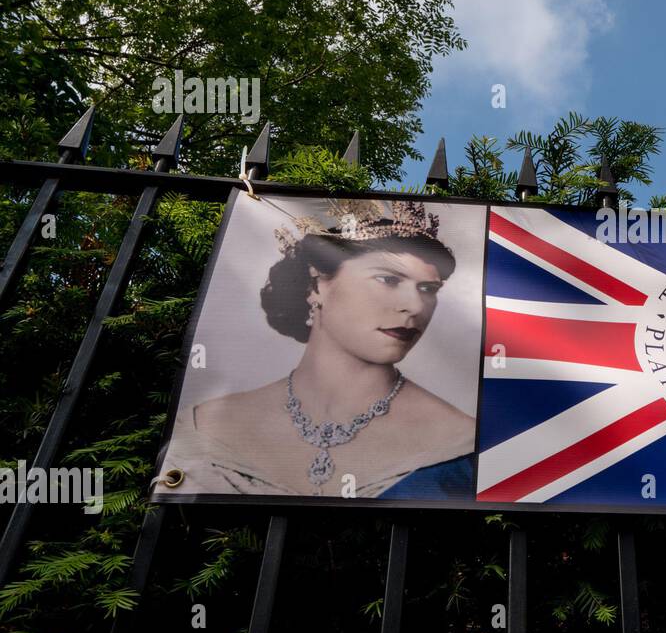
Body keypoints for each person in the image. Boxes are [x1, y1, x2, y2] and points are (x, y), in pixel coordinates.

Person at [156, 198, 476, 500]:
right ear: (319, 283)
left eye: (428, 289)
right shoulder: (204, 423)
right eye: (388, 279)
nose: (415, 306)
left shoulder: (462, 441)